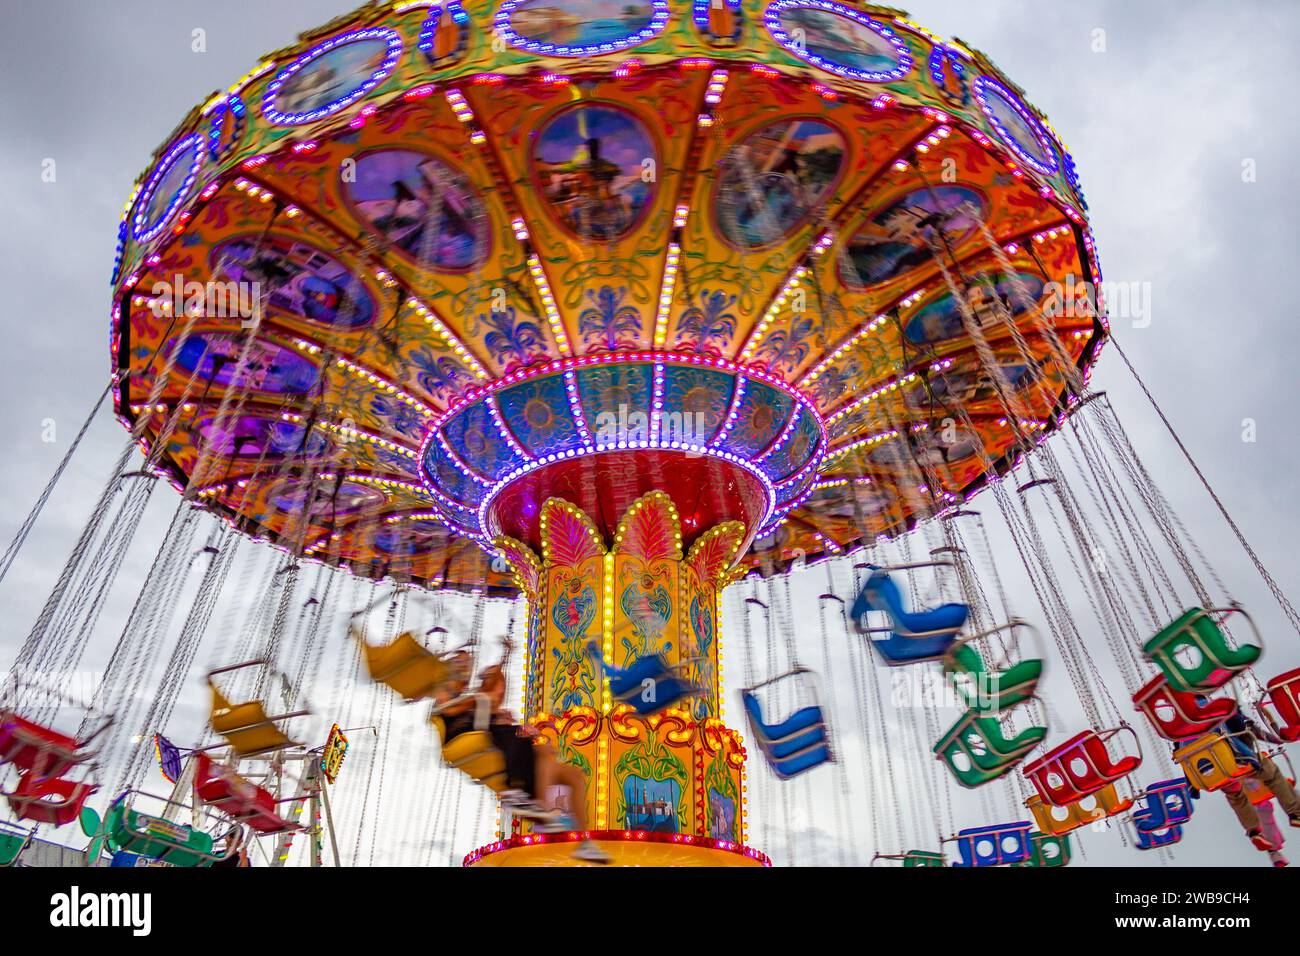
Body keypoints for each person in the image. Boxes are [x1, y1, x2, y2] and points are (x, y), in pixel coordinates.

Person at [433, 640, 611, 864]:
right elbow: (467, 700)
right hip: (474, 741)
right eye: (462, 664)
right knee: (524, 739)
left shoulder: (479, 699)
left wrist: (505, 656)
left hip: (510, 751)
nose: (466, 669)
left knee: (570, 772)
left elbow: (493, 687)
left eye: (468, 665)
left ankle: (583, 841)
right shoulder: (453, 693)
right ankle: (530, 801)